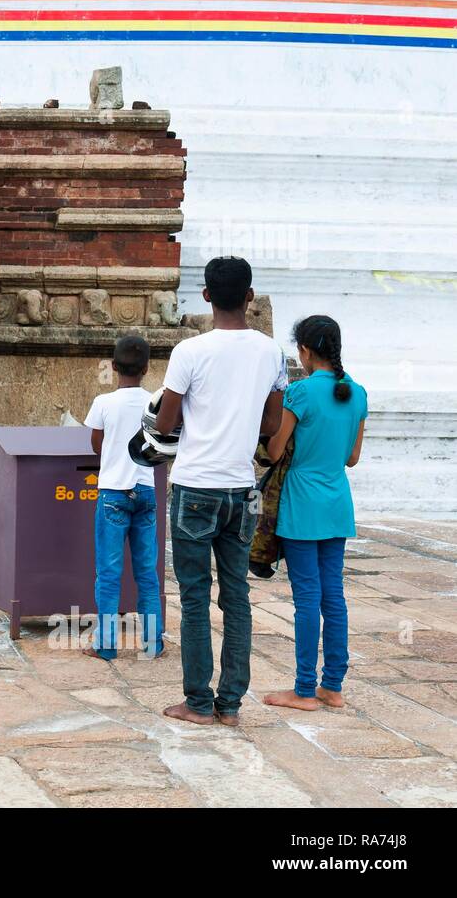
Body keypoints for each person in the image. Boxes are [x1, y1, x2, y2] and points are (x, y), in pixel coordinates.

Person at [155, 256, 287, 727]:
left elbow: (166, 423)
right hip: (241, 487)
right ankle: (229, 704)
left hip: (195, 486)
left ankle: (197, 702)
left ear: (206, 296)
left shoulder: (190, 352)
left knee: (194, 596)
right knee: (236, 595)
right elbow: (271, 425)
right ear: (249, 297)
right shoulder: (271, 353)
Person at [262, 315, 367, 712]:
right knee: (333, 597)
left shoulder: (300, 393)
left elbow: (274, 452)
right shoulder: (356, 393)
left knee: (306, 598)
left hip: (302, 504)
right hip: (337, 502)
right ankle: (333, 686)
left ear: (304, 351)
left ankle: (304, 689)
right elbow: (352, 458)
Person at [81, 336, 163, 661]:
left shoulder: (103, 402)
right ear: (146, 368)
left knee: (109, 573)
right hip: (146, 491)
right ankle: (153, 643)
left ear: (113, 366)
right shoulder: (155, 402)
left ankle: (106, 644)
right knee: (147, 573)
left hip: (113, 492)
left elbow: (96, 444)